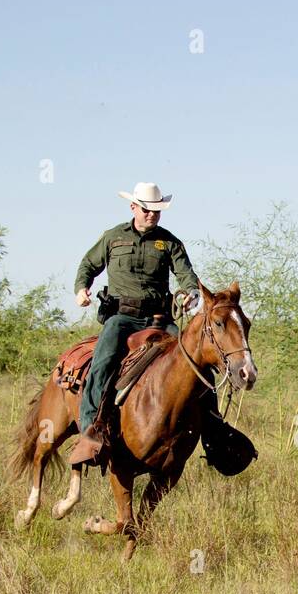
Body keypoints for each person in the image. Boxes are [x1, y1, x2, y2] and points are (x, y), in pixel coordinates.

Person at [69, 182, 201, 466]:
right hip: (122, 318)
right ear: (133, 208)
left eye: (157, 211)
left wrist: (192, 293)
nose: (152, 215)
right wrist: (81, 289)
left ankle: (214, 431)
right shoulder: (113, 237)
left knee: (193, 359)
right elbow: (88, 265)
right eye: (146, 210)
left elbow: (186, 275)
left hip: (160, 319)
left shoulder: (169, 242)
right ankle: (90, 430)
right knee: (102, 362)